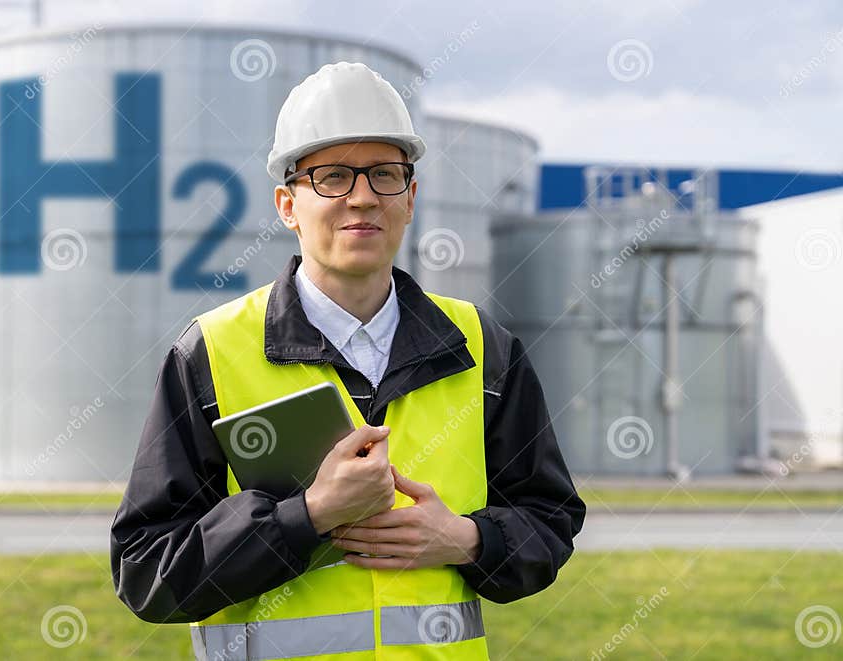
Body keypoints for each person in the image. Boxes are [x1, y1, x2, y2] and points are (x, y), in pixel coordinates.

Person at [111, 61, 586, 660]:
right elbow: (146, 572)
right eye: (333, 176)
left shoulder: (482, 347)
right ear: (288, 204)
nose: (362, 197)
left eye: (385, 175)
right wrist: (305, 518)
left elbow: (550, 522)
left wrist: (467, 539)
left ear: (410, 199)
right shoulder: (210, 352)